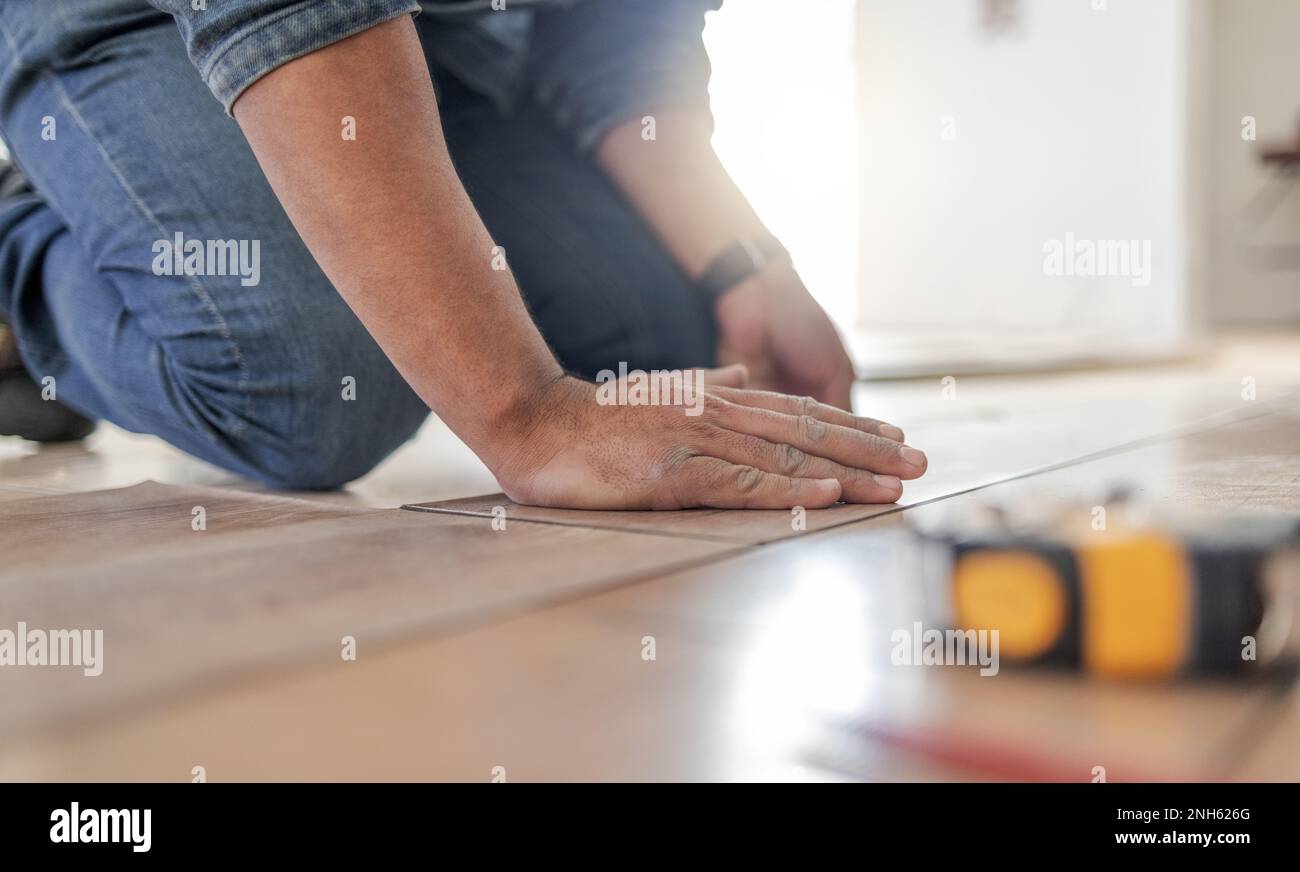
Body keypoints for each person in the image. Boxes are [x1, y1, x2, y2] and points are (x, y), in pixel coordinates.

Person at [0, 0, 926, 509]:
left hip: (449, 46)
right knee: (313, 388)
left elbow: (623, 41)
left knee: (666, 349)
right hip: (146, 14)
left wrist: (748, 267)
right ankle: (25, 258)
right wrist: (527, 414)